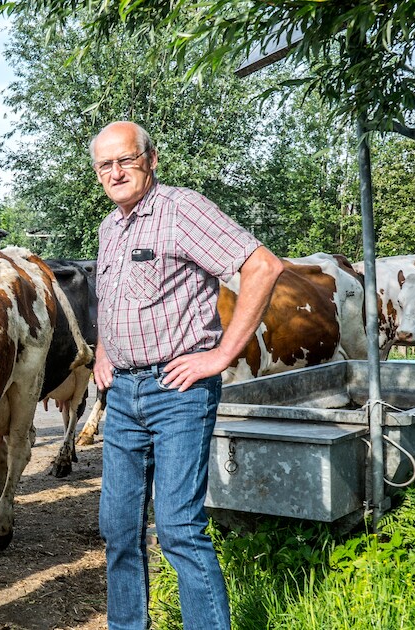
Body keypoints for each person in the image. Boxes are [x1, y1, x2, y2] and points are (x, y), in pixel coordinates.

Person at [89, 121, 283, 630]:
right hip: (123, 392)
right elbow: (114, 300)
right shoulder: (111, 227)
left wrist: (219, 355)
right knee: (118, 527)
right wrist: (102, 353)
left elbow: (262, 267)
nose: (115, 172)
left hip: (178, 390)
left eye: (125, 160)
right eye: (105, 165)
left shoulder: (181, 210)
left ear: (151, 160)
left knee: (177, 527)